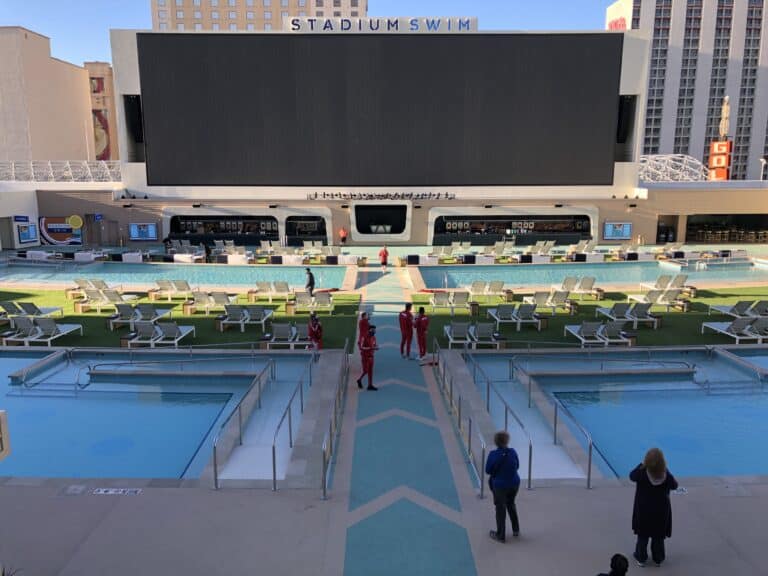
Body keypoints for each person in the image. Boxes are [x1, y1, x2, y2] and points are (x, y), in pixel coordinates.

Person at [630, 447, 678, 567]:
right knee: (658, 537)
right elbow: (675, 485)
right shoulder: (666, 476)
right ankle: (658, 558)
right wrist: (666, 471)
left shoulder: (641, 473)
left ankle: (641, 557)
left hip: (643, 511)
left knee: (643, 535)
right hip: (660, 513)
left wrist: (641, 465)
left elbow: (631, 476)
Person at [485, 430, 520, 543]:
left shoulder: (493, 455)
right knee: (511, 503)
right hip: (514, 483)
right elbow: (517, 466)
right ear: (507, 441)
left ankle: (500, 535)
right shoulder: (513, 452)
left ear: (496, 442)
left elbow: (488, 470)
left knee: (500, 508)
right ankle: (516, 529)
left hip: (500, 485)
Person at [356, 325, 378, 391]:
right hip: (365, 356)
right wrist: (371, 348)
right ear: (369, 330)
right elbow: (361, 347)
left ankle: (370, 385)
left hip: (371, 356)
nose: (374, 331)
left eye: (374, 330)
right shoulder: (364, 337)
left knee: (370, 371)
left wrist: (376, 347)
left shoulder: (374, 337)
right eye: (372, 330)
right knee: (366, 371)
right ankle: (359, 380)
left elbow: (374, 344)